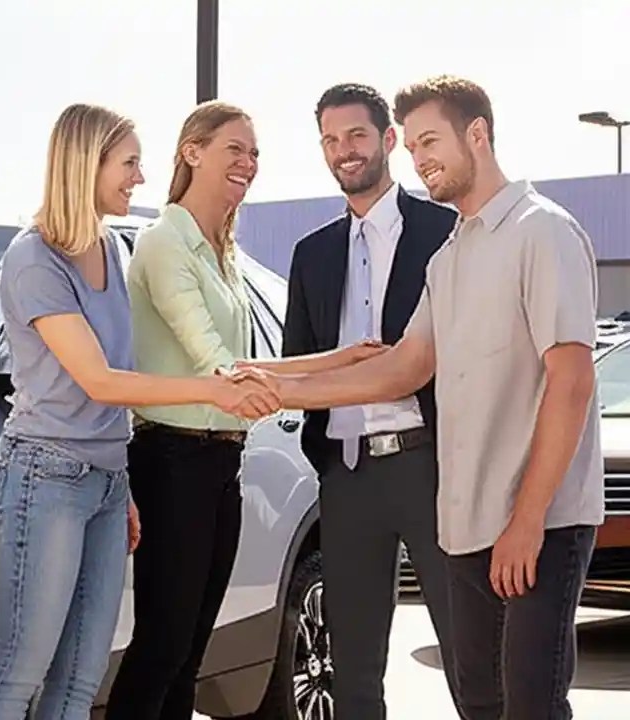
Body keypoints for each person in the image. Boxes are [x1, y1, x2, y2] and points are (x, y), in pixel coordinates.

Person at [243, 75, 604, 720]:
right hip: (468, 520)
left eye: (430, 140)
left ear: (479, 133)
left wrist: (527, 520)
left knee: (530, 704)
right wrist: (279, 387)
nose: (420, 159)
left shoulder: (541, 231)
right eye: (413, 147)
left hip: (537, 521)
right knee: (485, 704)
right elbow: (402, 367)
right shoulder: (452, 253)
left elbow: (572, 380)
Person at [0, 102, 280, 720]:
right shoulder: (34, 257)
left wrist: (124, 484)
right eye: (128, 163)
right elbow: (100, 380)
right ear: (85, 163)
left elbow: (120, 380)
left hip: (108, 482)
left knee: (83, 676)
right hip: (47, 476)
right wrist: (212, 390)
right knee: (20, 669)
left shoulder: (111, 247)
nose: (139, 178)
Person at [103, 100, 384, 720]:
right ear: (192, 151)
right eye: (235, 148)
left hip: (221, 466)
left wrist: (340, 359)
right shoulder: (163, 242)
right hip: (170, 463)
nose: (249, 163)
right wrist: (308, 389)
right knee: (160, 648)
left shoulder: (219, 251)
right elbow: (215, 364)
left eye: (254, 153)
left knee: (188, 653)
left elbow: (243, 368)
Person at [276, 82, 462, 719]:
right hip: (347, 473)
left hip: (432, 465)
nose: (343, 151)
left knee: (471, 659)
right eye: (330, 140)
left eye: (355, 135)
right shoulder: (312, 254)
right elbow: (298, 360)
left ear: (388, 140)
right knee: (353, 674)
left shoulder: (448, 232)